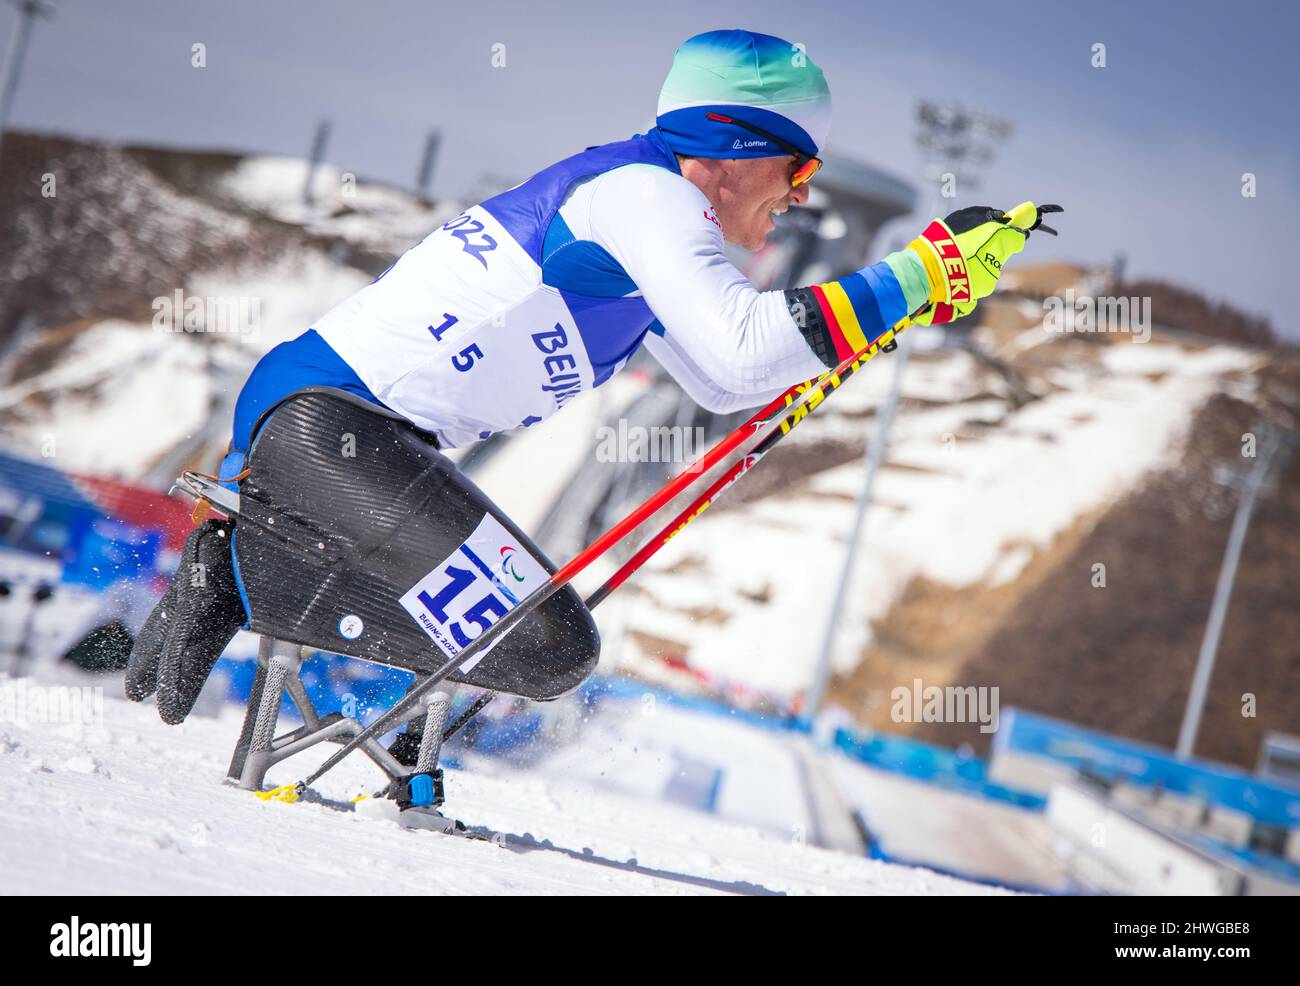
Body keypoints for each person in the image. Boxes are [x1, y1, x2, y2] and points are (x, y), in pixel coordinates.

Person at [125, 28, 1057, 728]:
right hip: (332, 428)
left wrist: (885, 312)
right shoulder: (649, 194)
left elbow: (729, 383)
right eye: (797, 167)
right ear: (737, 149)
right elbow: (743, 347)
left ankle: (268, 593)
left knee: (539, 641)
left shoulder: (651, 223)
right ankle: (247, 572)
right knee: (550, 644)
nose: (800, 195)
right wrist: (917, 274)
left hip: (345, 431)